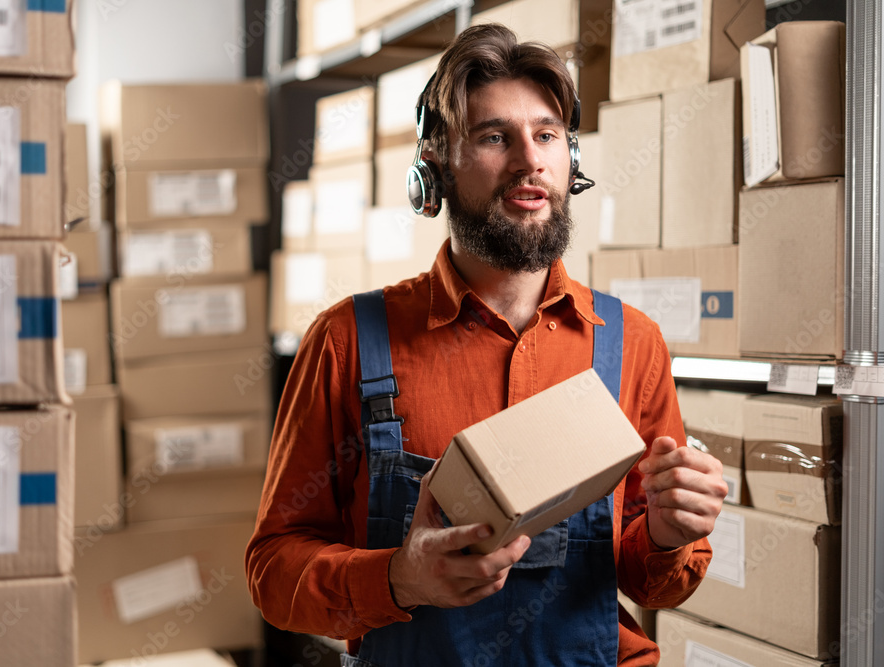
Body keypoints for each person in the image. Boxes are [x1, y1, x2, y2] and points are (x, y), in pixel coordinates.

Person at [246, 23, 727, 666]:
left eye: (548, 135)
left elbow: (650, 581)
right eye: (495, 136)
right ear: (435, 164)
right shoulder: (348, 342)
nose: (531, 160)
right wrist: (399, 577)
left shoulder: (631, 344)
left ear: (571, 159)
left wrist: (669, 534)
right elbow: (273, 572)